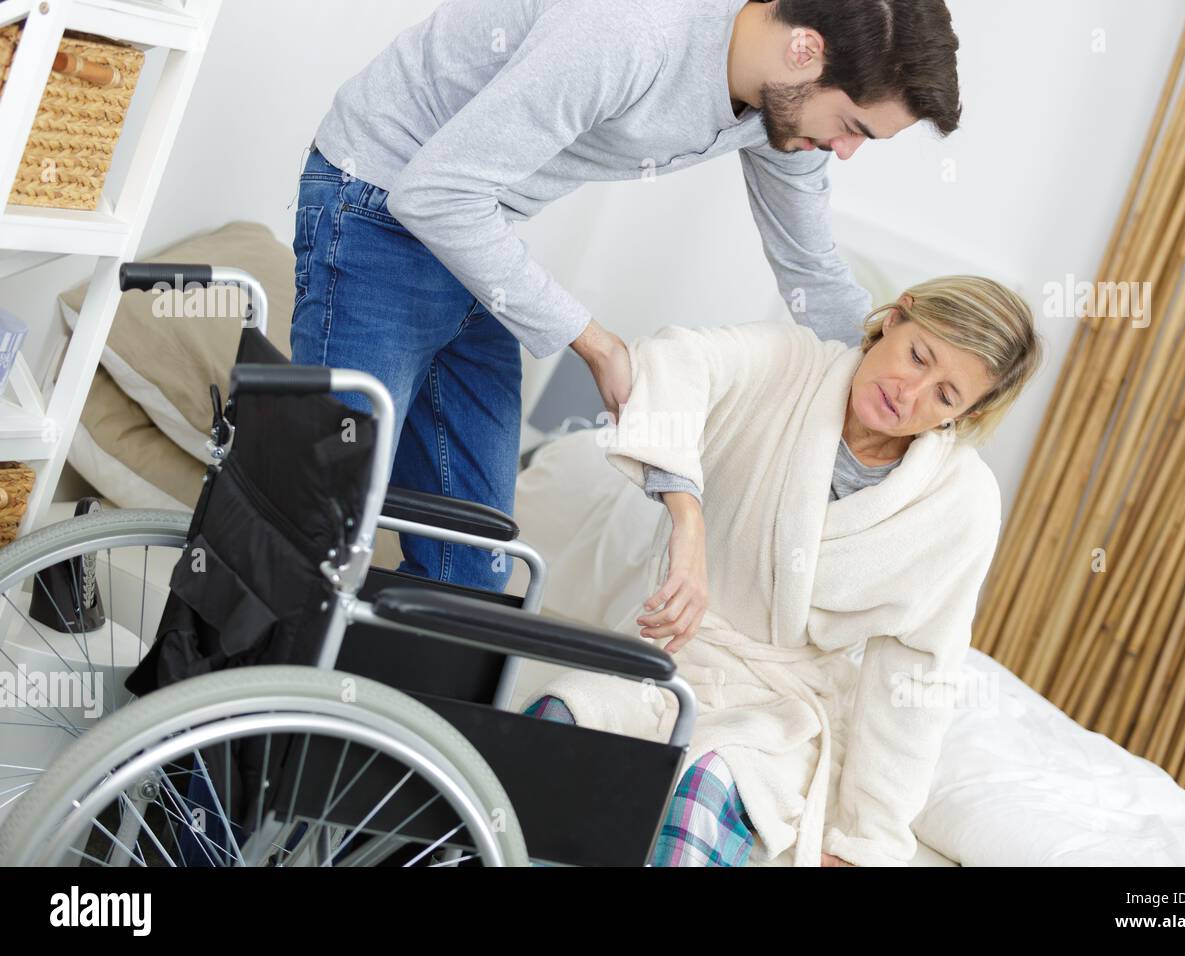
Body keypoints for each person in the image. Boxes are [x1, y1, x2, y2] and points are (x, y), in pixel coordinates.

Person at [289, 0, 961, 590]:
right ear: (804, 49)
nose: (845, 152)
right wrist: (595, 342)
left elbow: (811, 268)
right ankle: (217, 725)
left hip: (472, 236)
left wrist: (921, 398)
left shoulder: (784, 106)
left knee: (472, 569)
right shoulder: (635, 29)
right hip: (378, 201)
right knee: (317, 528)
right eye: (853, 127)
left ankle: (376, 733)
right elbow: (431, 195)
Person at [522, 276, 1045, 866]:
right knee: (557, 723)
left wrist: (865, 841)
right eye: (918, 355)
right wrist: (686, 519)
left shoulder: (960, 504)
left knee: (707, 785)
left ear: (964, 416)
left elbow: (916, 678)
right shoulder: (789, 365)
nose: (911, 390)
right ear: (893, 320)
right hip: (670, 659)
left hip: (781, 709)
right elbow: (674, 360)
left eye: (946, 396)